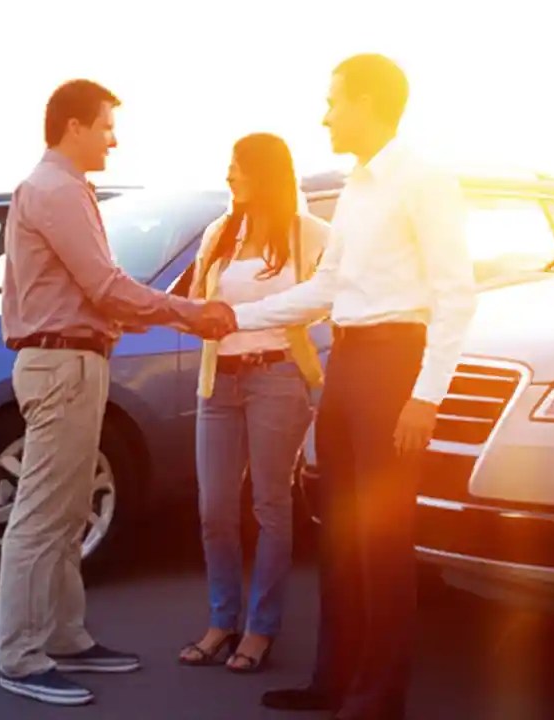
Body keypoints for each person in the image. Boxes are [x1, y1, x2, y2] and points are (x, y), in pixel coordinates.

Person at [220, 54, 476, 719]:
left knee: (383, 543)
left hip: (396, 365)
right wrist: (231, 318)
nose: (325, 114)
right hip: (349, 362)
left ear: (368, 102)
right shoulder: (358, 187)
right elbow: (324, 289)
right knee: (338, 535)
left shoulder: (424, 181)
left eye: (334, 101)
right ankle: (333, 682)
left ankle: (377, 697)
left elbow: (456, 295)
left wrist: (427, 396)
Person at [0, 78, 234, 707]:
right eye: (105, 126)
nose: (114, 138)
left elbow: (94, 293)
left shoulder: (62, 189)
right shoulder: (55, 190)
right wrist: (189, 312)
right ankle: (21, 656)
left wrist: (139, 314)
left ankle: (67, 637)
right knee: (42, 516)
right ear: (74, 125)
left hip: (75, 363)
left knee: (69, 511)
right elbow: (105, 285)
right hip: (62, 366)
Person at [176, 133, 332, 673]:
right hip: (219, 380)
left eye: (237, 166)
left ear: (265, 172)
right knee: (213, 507)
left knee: (270, 505)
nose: (229, 176)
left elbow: (323, 303)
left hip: (278, 378)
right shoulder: (221, 232)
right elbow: (198, 301)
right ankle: (223, 619)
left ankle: (261, 629)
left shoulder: (311, 234)